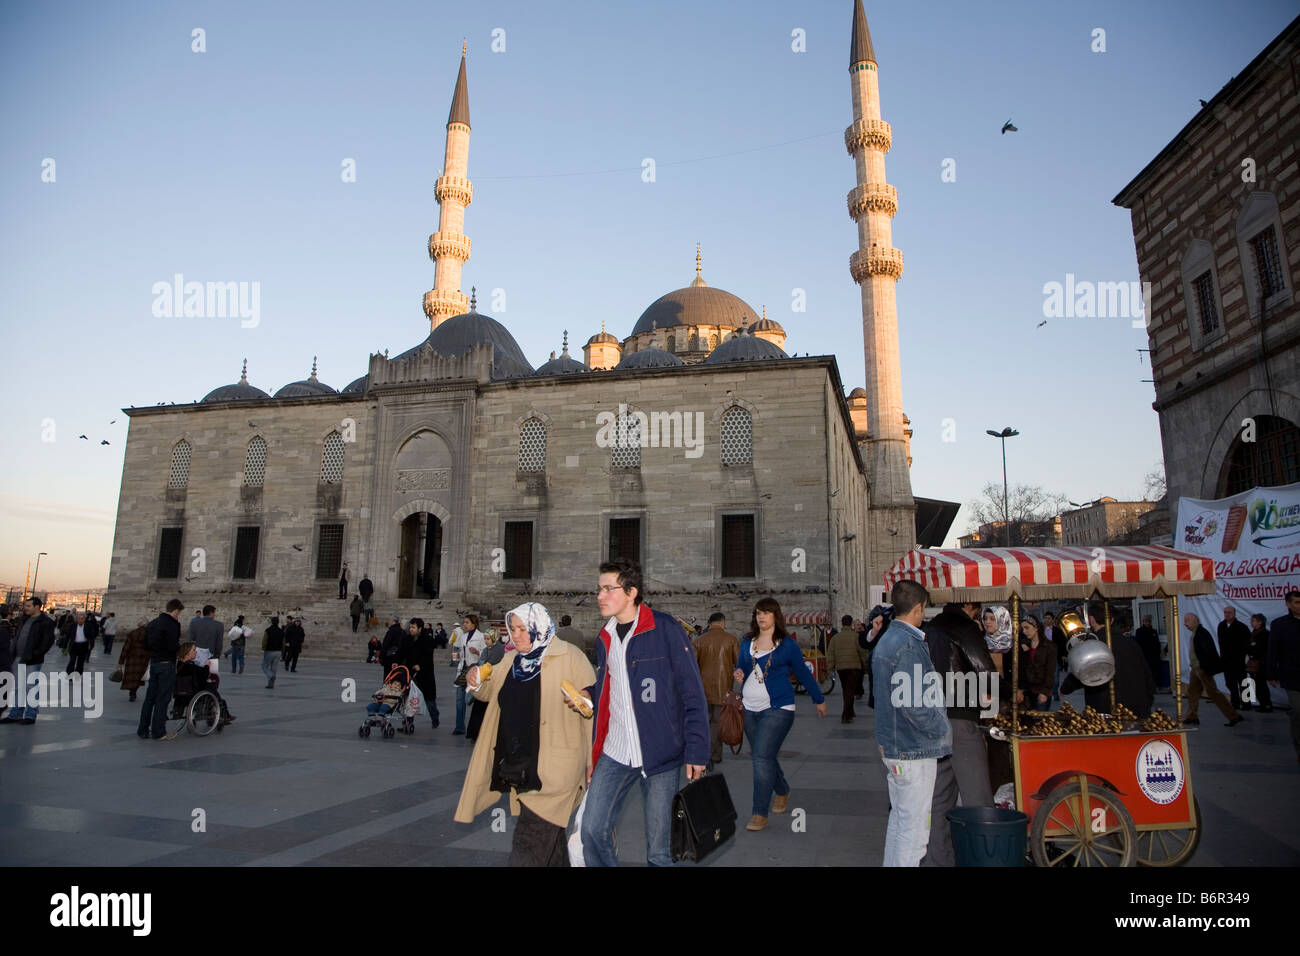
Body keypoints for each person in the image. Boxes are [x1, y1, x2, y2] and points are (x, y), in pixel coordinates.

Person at [576, 558, 710, 867]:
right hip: (616, 750)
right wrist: (589, 694)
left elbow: (692, 692)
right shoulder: (605, 637)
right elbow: (613, 684)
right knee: (593, 829)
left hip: (660, 753)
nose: (600, 596)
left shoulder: (665, 629)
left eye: (608, 589)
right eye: (599, 589)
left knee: (659, 852)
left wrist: (698, 751)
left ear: (631, 592)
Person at [456, 602, 597, 865]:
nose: (515, 634)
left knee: (528, 843)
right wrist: (476, 678)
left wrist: (592, 761)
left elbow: (592, 707)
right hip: (520, 764)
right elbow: (488, 689)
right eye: (512, 628)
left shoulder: (571, 657)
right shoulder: (512, 660)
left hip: (555, 770)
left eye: (522, 629)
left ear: (539, 628)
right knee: (550, 846)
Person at [874, 579, 950, 867]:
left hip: (895, 745)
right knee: (915, 831)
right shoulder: (907, 644)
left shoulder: (888, 640)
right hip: (913, 747)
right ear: (919, 608)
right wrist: (941, 729)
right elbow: (913, 704)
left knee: (900, 822)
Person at [733, 598, 827, 831]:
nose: (761, 617)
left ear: (776, 616)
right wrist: (738, 672)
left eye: (765, 613)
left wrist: (819, 699)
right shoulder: (747, 642)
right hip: (749, 708)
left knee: (761, 758)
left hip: (779, 708)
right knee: (763, 755)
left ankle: (759, 813)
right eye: (757, 614)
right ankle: (782, 789)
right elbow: (742, 666)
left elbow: (803, 674)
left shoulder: (787, 645)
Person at [920, 600, 996, 866]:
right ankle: (987, 857)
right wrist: (1002, 699)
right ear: (969, 604)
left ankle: (938, 860)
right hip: (962, 718)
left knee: (940, 799)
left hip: (936, 719)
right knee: (978, 799)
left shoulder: (933, 627)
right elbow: (985, 670)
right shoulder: (964, 628)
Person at [1060, 604, 1156, 718]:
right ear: (1111, 621)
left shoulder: (1092, 644)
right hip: (1136, 705)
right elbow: (1147, 673)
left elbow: (1082, 671)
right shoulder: (1130, 642)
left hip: (1105, 706)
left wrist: (1065, 689)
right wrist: (1148, 699)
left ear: (1091, 619)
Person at [693, 611, 740, 768]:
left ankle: (705, 754)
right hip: (723, 690)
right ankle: (712, 756)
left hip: (702, 691)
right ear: (723, 623)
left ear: (709, 623)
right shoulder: (731, 640)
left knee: (704, 723)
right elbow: (739, 664)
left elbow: (692, 666)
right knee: (717, 724)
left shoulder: (698, 641)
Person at [1179, 612, 1242, 727]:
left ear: (1195, 621)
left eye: (1187, 620)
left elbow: (1208, 652)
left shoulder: (1201, 634)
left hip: (1202, 669)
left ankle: (1233, 715)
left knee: (1213, 693)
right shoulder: (1196, 633)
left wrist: (1206, 668)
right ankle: (1191, 716)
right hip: (1195, 668)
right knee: (1192, 692)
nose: (1185, 623)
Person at [1, 598, 57, 724]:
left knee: (30, 687)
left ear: (37, 606)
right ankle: (15, 713)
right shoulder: (24, 619)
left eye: (28, 606)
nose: (25, 608)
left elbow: (47, 642)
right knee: (17, 687)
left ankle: (30, 715)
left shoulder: (45, 622)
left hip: (32, 660)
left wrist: (34, 655)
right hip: (18, 657)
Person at [137, 599, 184, 740]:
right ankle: (159, 732)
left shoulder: (152, 623)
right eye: (179, 613)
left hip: (155, 663)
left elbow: (145, 645)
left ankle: (143, 730)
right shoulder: (172, 624)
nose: (179, 615)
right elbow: (173, 645)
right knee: (163, 699)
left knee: (150, 699)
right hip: (167, 664)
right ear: (176, 610)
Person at [1267, 591, 1300, 761]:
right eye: (1296, 602)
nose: (1298, 605)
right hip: (1292, 675)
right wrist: (1271, 672)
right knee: (1298, 711)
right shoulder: (1280, 625)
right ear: (1288, 604)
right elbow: (1273, 649)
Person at [825, 614, 867, 723]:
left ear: (842, 623)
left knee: (846, 690)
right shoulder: (856, 637)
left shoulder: (836, 638)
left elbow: (831, 654)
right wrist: (865, 664)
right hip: (854, 667)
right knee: (850, 690)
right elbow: (862, 652)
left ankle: (850, 711)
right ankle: (846, 715)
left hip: (841, 668)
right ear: (851, 623)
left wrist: (830, 668)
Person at [453, 614, 486, 736]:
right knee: (459, 699)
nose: (465, 624)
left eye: (467, 622)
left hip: (474, 669)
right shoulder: (463, 636)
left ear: (474, 624)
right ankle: (459, 726)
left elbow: (485, 652)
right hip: (463, 669)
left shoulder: (481, 637)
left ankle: (477, 726)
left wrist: (477, 652)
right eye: (464, 622)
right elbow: (461, 652)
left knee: (472, 699)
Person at [406, 616, 440, 728]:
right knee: (410, 698)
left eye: (413, 627)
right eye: (410, 627)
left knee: (429, 699)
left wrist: (420, 665)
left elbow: (428, 654)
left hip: (425, 674)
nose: (411, 629)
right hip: (412, 673)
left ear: (420, 628)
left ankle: (435, 718)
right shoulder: (409, 639)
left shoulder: (427, 639)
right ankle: (408, 722)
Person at [1018, 615, 1057, 712]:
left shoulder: (1049, 647)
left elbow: (1050, 671)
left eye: (1027, 628)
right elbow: (1022, 669)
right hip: (1028, 691)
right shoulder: (1024, 646)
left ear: (1036, 628)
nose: (1024, 631)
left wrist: (1045, 692)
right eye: (1022, 628)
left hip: (1042, 690)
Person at [1218, 606, 1251, 711]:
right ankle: (1235, 702)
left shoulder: (1242, 627)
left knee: (1243, 683)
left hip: (1239, 660)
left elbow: (1247, 643)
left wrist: (1244, 656)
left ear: (1234, 613)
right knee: (1230, 683)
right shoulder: (1221, 625)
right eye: (1225, 612)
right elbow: (1221, 642)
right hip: (1226, 661)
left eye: (1229, 612)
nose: (1227, 614)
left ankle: (1246, 704)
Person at [117, 618, 150, 703]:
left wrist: (121, 662)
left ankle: (132, 693)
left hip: (132, 659)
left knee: (132, 676)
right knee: (139, 677)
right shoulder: (149, 635)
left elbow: (126, 648)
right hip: (144, 659)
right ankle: (134, 692)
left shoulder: (132, 633)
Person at [1246, 613, 1273, 712]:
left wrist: (1253, 646)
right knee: (1256, 684)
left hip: (1261, 663)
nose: (1251, 623)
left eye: (1253, 621)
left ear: (1260, 622)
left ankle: (1266, 705)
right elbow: (1249, 646)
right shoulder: (1254, 633)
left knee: (1261, 685)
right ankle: (1263, 703)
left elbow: (1260, 648)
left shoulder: (1265, 634)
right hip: (1254, 662)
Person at [1133, 615, 1162, 691]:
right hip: (1145, 655)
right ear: (1143, 622)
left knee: (1155, 672)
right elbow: (1138, 643)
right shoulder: (1139, 631)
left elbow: (1157, 643)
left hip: (1154, 656)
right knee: (1146, 672)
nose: (1148, 622)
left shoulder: (1153, 631)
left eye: (1149, 621)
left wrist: (1158, 653)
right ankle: (1147, 687)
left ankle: (1156, 686)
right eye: (1146, 621)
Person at [63, 609, 95, 675]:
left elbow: (92, 637)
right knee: (72, 661)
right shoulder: (72, 626)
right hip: (74, 645)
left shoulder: (88, 626)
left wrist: (91, 645)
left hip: (83, 645)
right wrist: (65, 646)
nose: (81, 620)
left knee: (80, 662)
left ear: (84, 619)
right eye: (79, 619)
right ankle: (69, 674)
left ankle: (78, 674)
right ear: (77, 619)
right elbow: (67, 636)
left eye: (82, 619)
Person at [262, 616, 284, 689]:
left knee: (264, 666)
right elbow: (284, 642)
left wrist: (264, 648)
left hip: (269, 651)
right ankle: (271, 684)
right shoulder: (281, 631)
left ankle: (271, 676)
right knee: (274, 668)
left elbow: (264, 640)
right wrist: (282, 651)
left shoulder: (268, 630)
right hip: (278, 651)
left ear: (271, 622)